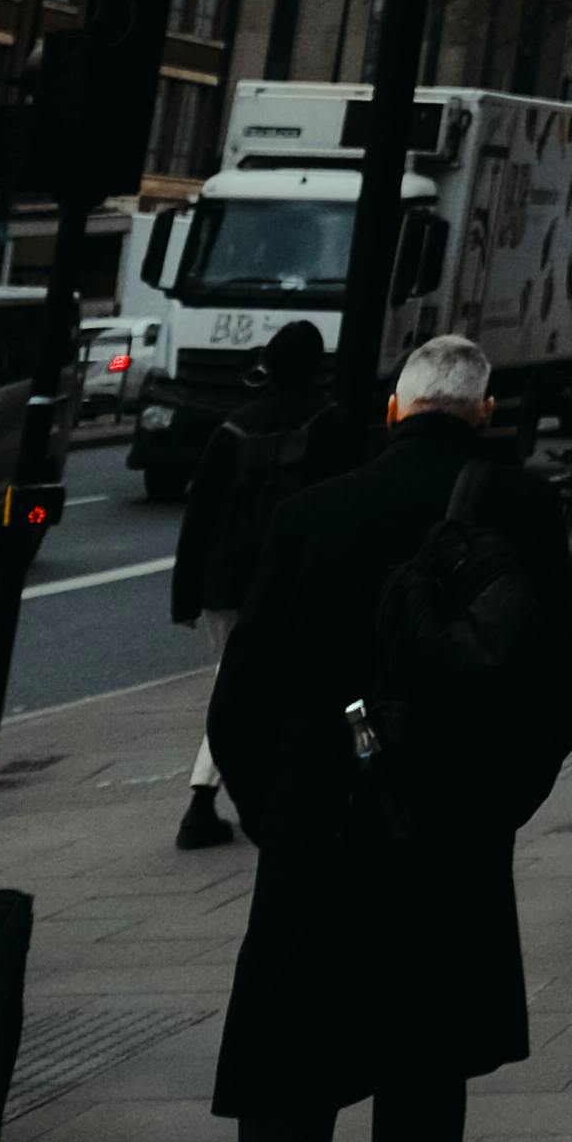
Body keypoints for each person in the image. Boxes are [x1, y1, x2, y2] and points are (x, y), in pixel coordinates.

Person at [204, 325, 572, 1142]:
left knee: (286, 1118)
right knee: (422, 1121)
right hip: (446, 850)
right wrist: (494, 805)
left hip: (318, 848)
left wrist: (281, 812)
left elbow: (239, 702)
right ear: (485, 413)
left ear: (393, 410)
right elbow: (556, 690)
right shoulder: (524, 509)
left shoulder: (312, 515)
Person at [167, 322, 355, 852]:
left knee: (233, 680)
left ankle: (204, 798)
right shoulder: (332, 424)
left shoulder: (232, 428)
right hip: (295, 576)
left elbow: (199, 515)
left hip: (225, 582)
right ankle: (230, 793)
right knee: (298, 683)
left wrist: (185, 593)